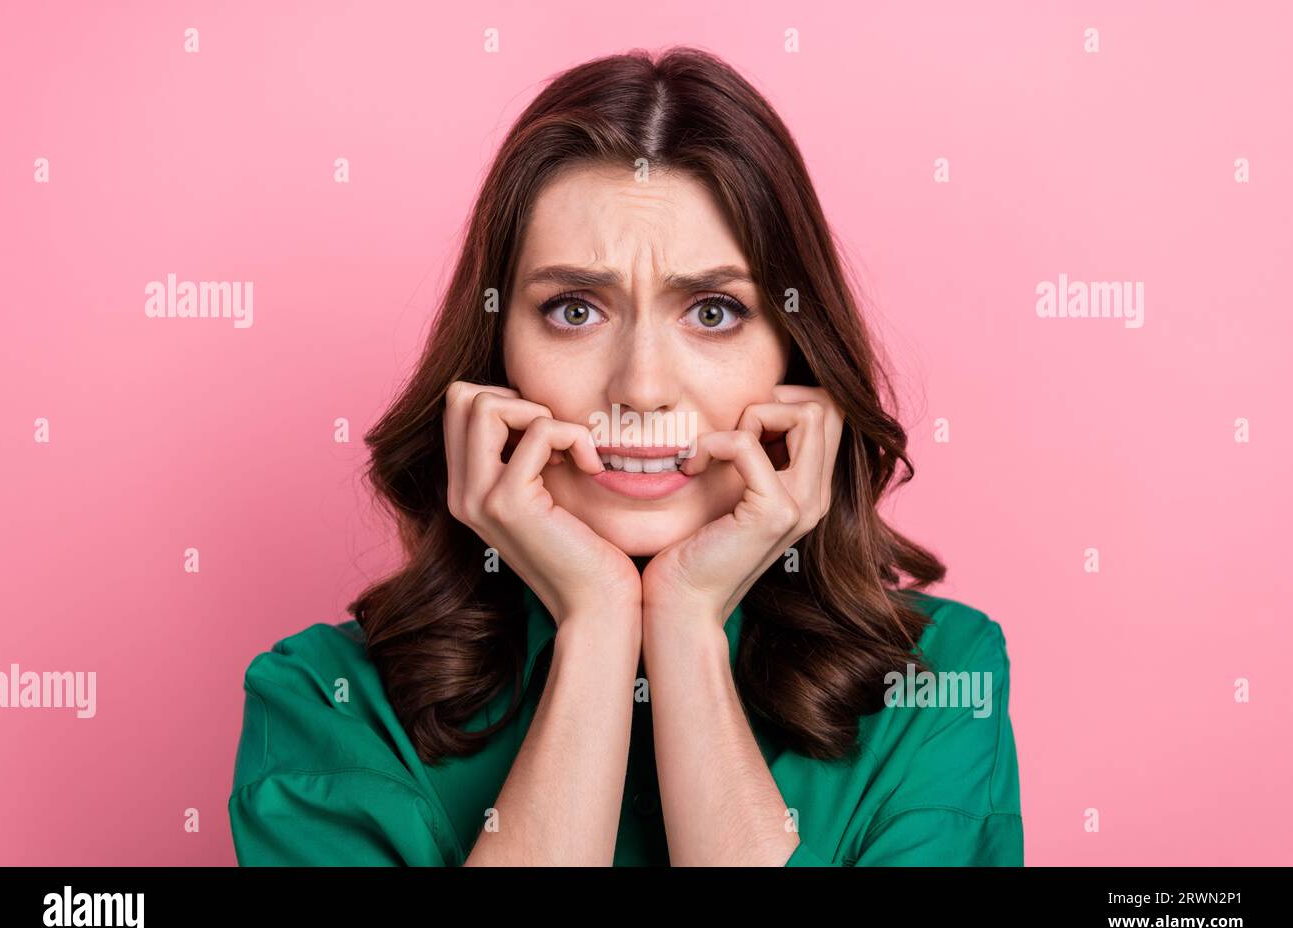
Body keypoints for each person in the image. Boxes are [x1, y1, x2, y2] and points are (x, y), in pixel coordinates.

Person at [228, 46, 1023, 866]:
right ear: (495, 357)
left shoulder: (937, 686)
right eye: (575, 309)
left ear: (796, 356)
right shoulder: (325, 704)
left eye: (713, 312)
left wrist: (683, 625)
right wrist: (598, 625)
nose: (641, 389)